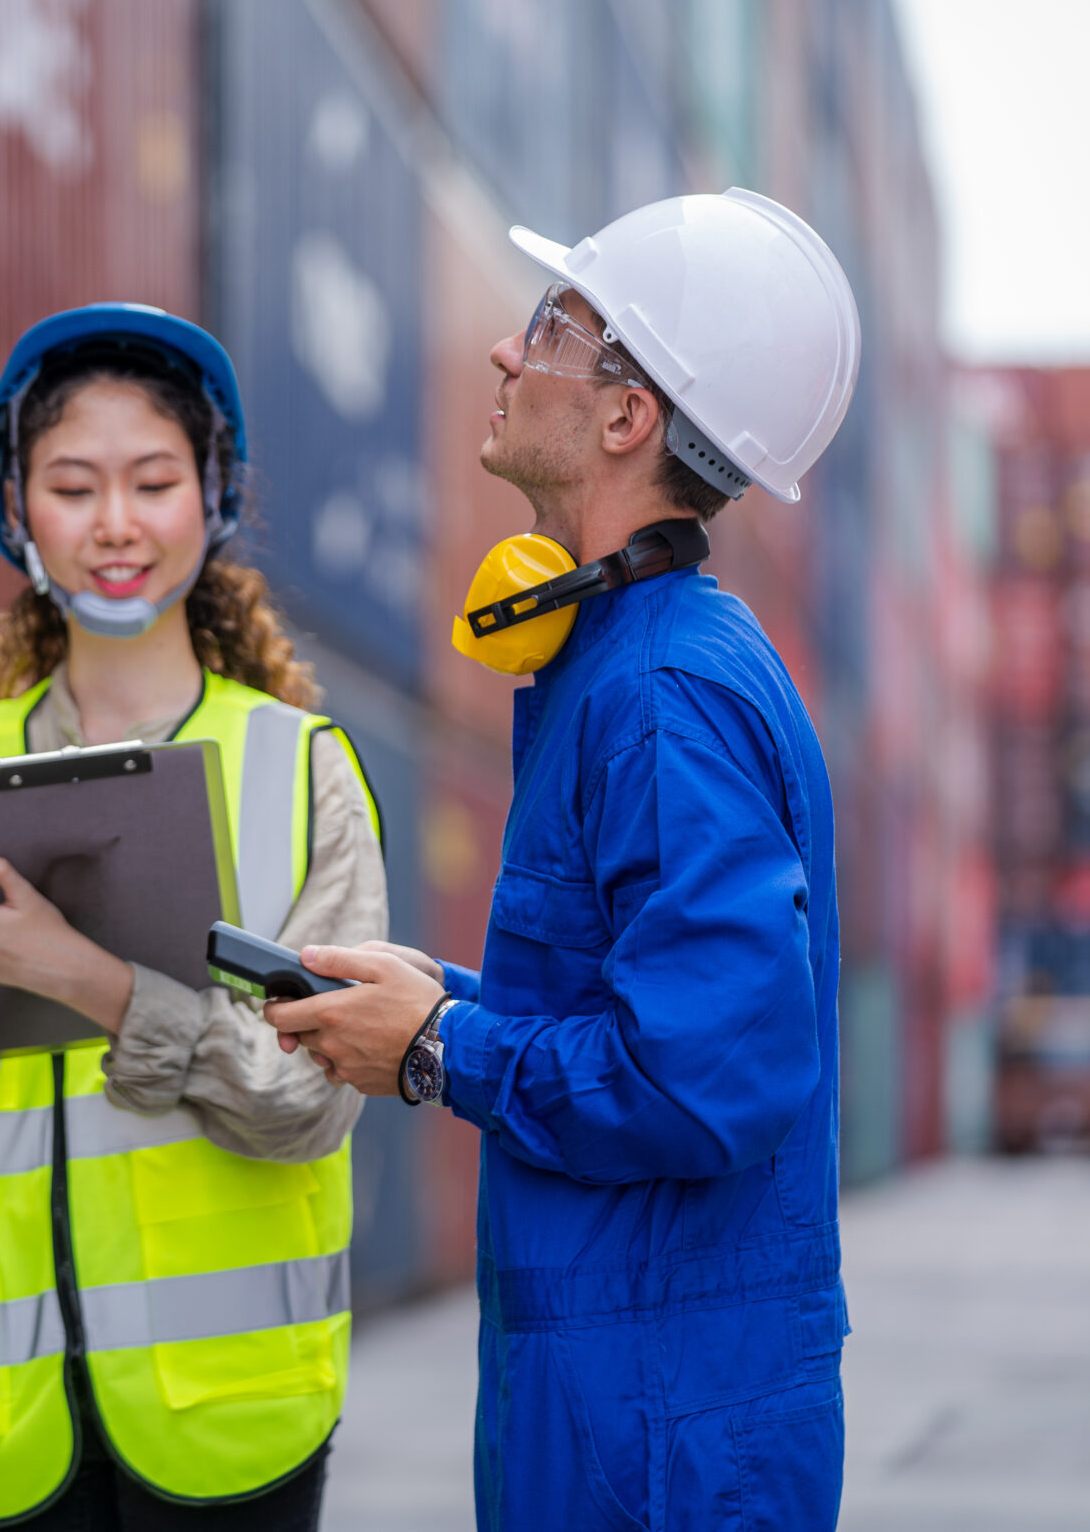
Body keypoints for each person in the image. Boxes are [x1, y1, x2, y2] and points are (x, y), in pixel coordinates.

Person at [266, 191, 862, 1530]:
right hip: (638, 1395)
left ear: (624, 414)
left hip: (657, 1430)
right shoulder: (622, 663)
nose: (502, 352)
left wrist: (437, 1049)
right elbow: (649, 1003)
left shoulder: (660, 695)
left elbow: (703, 1077)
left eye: (549, 325)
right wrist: (449, 994)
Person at [0, 304, 388, 1529]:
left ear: (213, 495)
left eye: (153, 481)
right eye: (74, 486)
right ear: (17, 508)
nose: (117, 526)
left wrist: (83, 979)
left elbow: (310, 1098)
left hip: (229, 1419)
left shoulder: (299, 772)